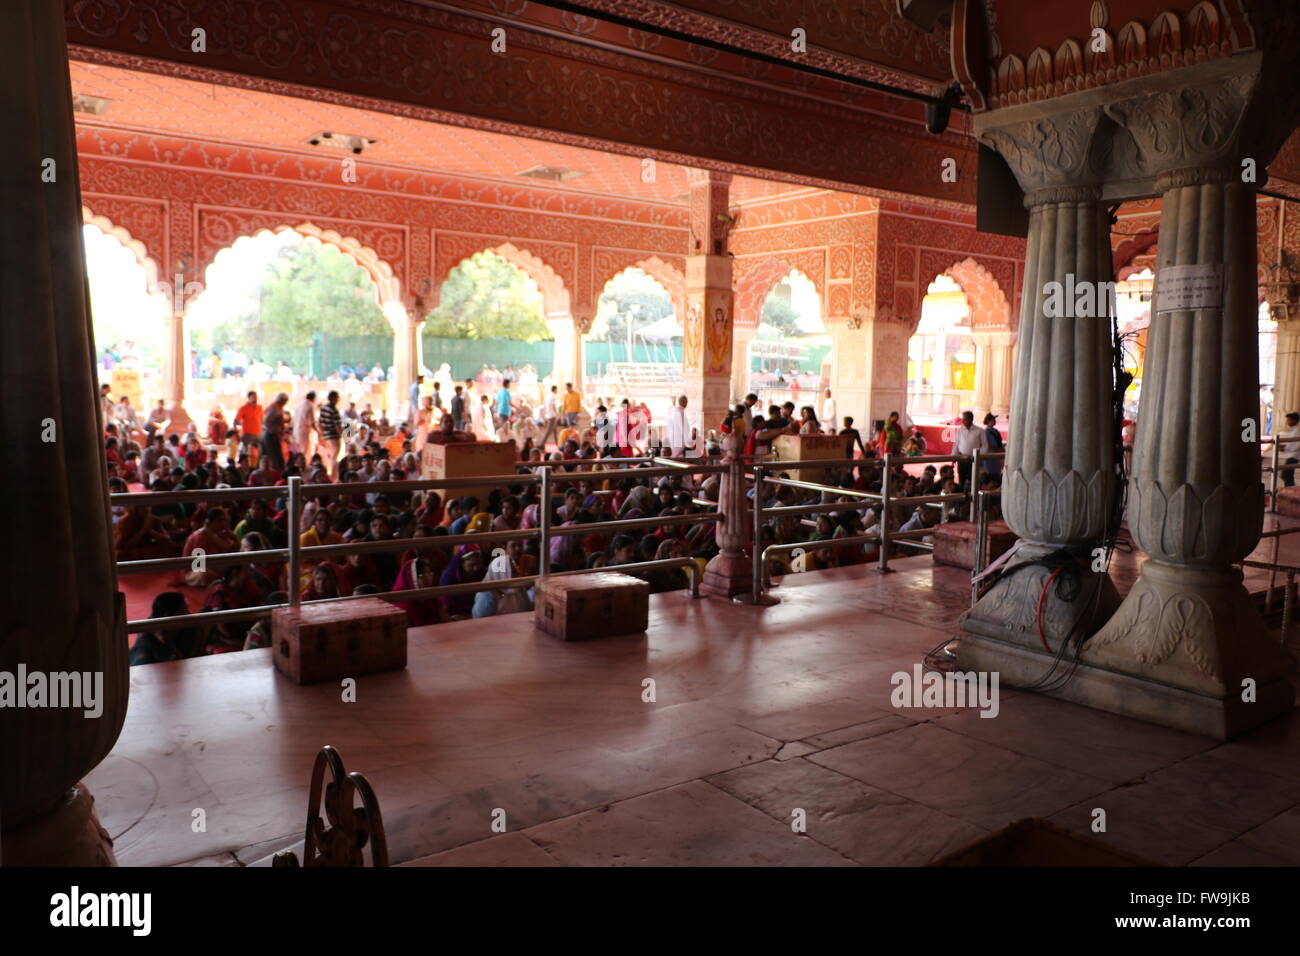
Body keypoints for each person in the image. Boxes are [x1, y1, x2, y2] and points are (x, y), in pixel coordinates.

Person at [953, 409, 988, 492]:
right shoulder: (960, 430)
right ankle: (961, 498)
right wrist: (953, 456)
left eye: (964, 419)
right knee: (961, 479)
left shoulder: (980, 431)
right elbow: (956, 444)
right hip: (961, 459)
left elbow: (985, 446)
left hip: (973, 460)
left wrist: (977, 456)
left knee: (972, 481)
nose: (962, 421)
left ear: (970, 419)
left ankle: (971, 500)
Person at [318, 390, 343, 479]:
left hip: (326, 435)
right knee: (334, 456)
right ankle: (332, 476)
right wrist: (342, 436)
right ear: (333, 398)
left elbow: (320, 422)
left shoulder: (324, 408)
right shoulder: (333, 410)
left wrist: (322, 434)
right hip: (333, 436)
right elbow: (337, 425)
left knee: (330, 455)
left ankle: (331, 474)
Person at [262, 392, 289, 471]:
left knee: (278, 456)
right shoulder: (274, 408)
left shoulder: (277, 407)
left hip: (274, 434)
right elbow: (266, 421)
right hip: (271, 435)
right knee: (273, 456)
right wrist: (274, 430)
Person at [234, 392, 264, 456]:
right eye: (253, 397)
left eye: (256, 397)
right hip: (247, 434)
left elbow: (262, 420)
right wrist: (236, 433)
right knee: (246, 452)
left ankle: (257, 465)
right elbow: (236, 421)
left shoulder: (260, 407)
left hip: (258, 434)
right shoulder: (243, 408)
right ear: (249, 398)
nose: (255, 399)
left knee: (258, 452)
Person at [294, 390, 318, 461]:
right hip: (305, 432)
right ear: (313, 398)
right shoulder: (310, 405)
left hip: (297, 431)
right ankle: (304, 466)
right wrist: (319, 432)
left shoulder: (299, 404)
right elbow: (311, 422)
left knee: (300, 450)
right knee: (306, 451)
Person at [983, 413, 1004, 482]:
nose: (995, 421)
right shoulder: (986, 432)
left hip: (996, 457)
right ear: (989, 421)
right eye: (993, 419)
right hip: (990, 457)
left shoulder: (995, 431)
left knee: (997, 474)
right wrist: (999, 450)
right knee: (991, 476)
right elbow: (988, 445)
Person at [1281, 412, 1300, 486]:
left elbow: (1295, 446)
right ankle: (1291, 487)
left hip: (1293, 456)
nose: (1287, 421)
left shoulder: (1296, 432)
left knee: (1286, 475)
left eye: (1289, 420)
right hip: (1291, 455)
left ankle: (1290, 490)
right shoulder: (1294, 431)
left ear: (1295, 420)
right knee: (1287, 475)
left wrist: (1284, 448)